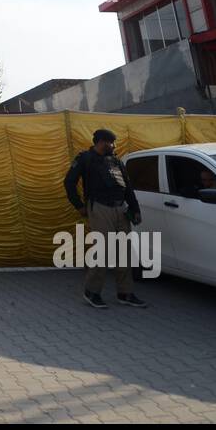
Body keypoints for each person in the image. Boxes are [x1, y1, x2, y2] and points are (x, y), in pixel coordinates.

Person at [64, 129, 148, 310]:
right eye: (111, 142)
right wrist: (79, 205)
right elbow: (69, 182)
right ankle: (92, 292)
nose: (113, 146)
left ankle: (125, 293)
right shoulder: (85, 158)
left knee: (124, 252)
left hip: (120, 208)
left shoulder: (115, 160)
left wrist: (135, 209)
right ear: (101, 142)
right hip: (100, 207)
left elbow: (127, 186)